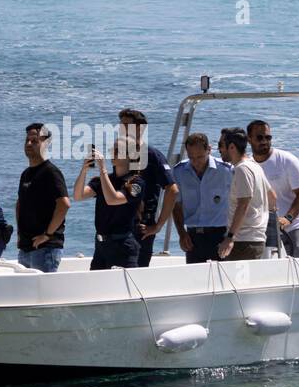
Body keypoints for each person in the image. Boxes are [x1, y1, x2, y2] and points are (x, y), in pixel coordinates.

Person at [117, 108, 178, 267]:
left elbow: (172, 189)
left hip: (141, 228)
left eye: (126, 126)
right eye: (120, 126)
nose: (121, 130)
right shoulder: (121, 154)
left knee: (135, 276)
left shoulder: (152, 155)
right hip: (119, 226)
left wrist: (157, 226)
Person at [247, 120, 299, 257]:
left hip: (297, 225)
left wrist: (288, 218)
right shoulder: (248, 165)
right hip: (267, 228)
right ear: (249, 139)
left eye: (268, 137)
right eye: (259, 137)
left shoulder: (287, 161)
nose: (264, 141)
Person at [72, 141, 143, 270]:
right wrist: (84, 170)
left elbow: (113, 199)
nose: (113, 153)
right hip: (101, 245)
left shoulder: (136, 183)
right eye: (113, 150)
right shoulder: (102, 180)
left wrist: (102, 170)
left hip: (123, 246)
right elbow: (78, 196)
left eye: (118, 150)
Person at [16, 122, 70, 272]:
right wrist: (19, 234)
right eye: (27, 140)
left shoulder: (51, 172)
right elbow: (20, 203)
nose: (28, 143)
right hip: (26, 248)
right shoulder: (26, 174)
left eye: (34, 141)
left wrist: (47, 234)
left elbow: (64, 204)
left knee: (44, 295)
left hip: (45, 249)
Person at [170, 132, 232, 263]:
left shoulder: (226, 171)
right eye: (191, 157)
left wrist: (231, 237)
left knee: (222, 281)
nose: (196, 162)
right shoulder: (179, 172)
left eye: (200, 157)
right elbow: (176, 205)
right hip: (193, 237)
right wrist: (181, 233)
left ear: (209, 150)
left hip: (220, 235)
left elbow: (239, 203)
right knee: (195, 280)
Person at [217, 127, 272, 262]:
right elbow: (272, 197)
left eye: (221, 145)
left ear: (231, 147)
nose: (219, 150)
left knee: (235, 283)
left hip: (244, 242)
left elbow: (243, 204)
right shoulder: (254, 166)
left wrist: (230, 237)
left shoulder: (242, 169)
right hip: (254, 239)